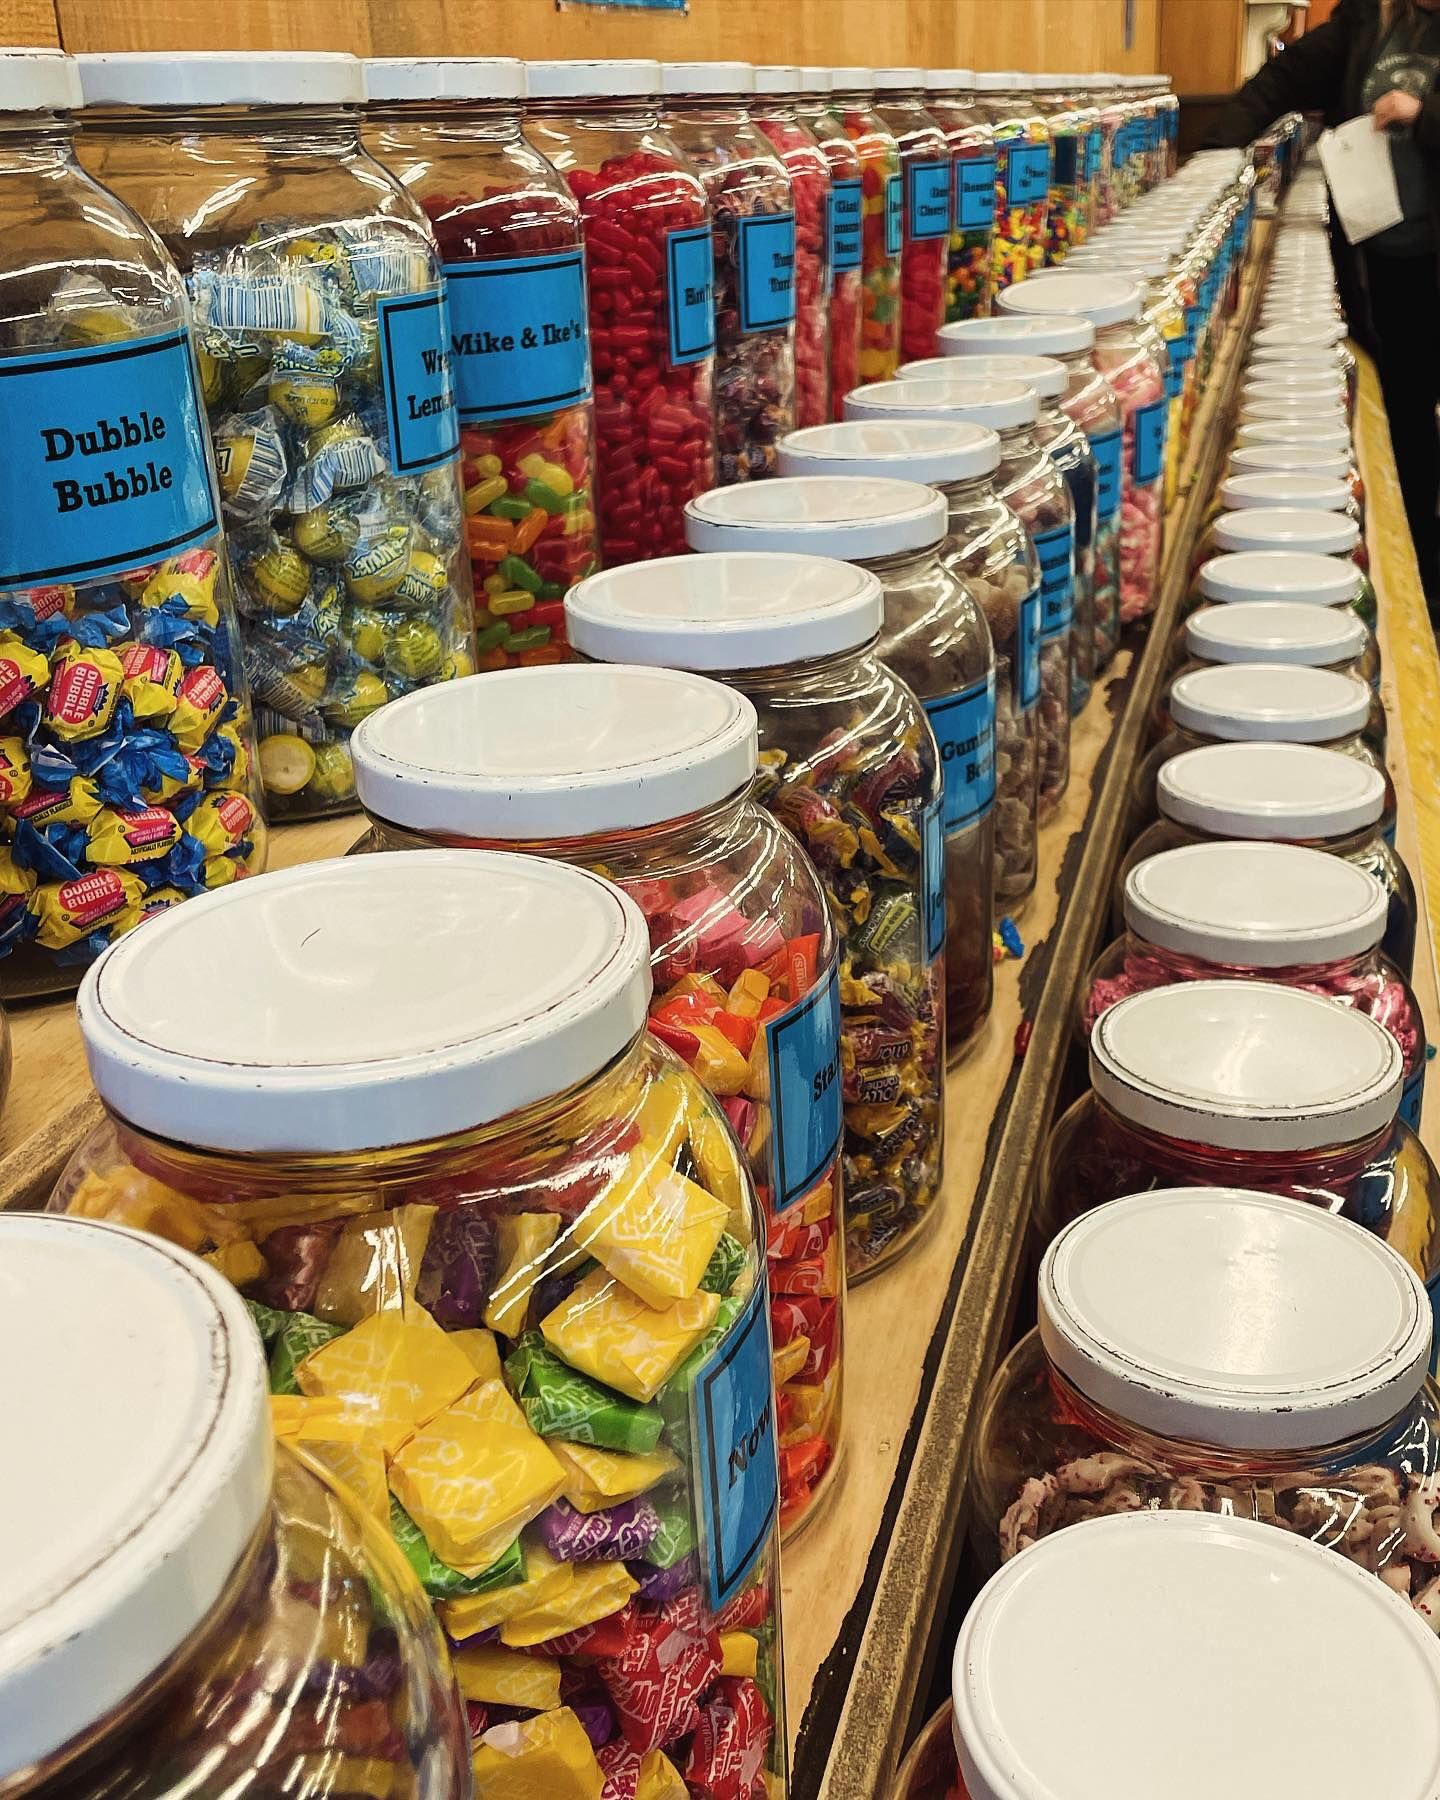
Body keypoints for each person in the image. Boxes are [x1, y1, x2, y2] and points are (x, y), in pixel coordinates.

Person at [1206, 0, 1440, 604]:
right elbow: (1282, 81)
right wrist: (1215, 154)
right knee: (1404, 406)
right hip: (1381, 255)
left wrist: (1425, 113)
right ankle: (1415, 562)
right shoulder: (1368, 21)